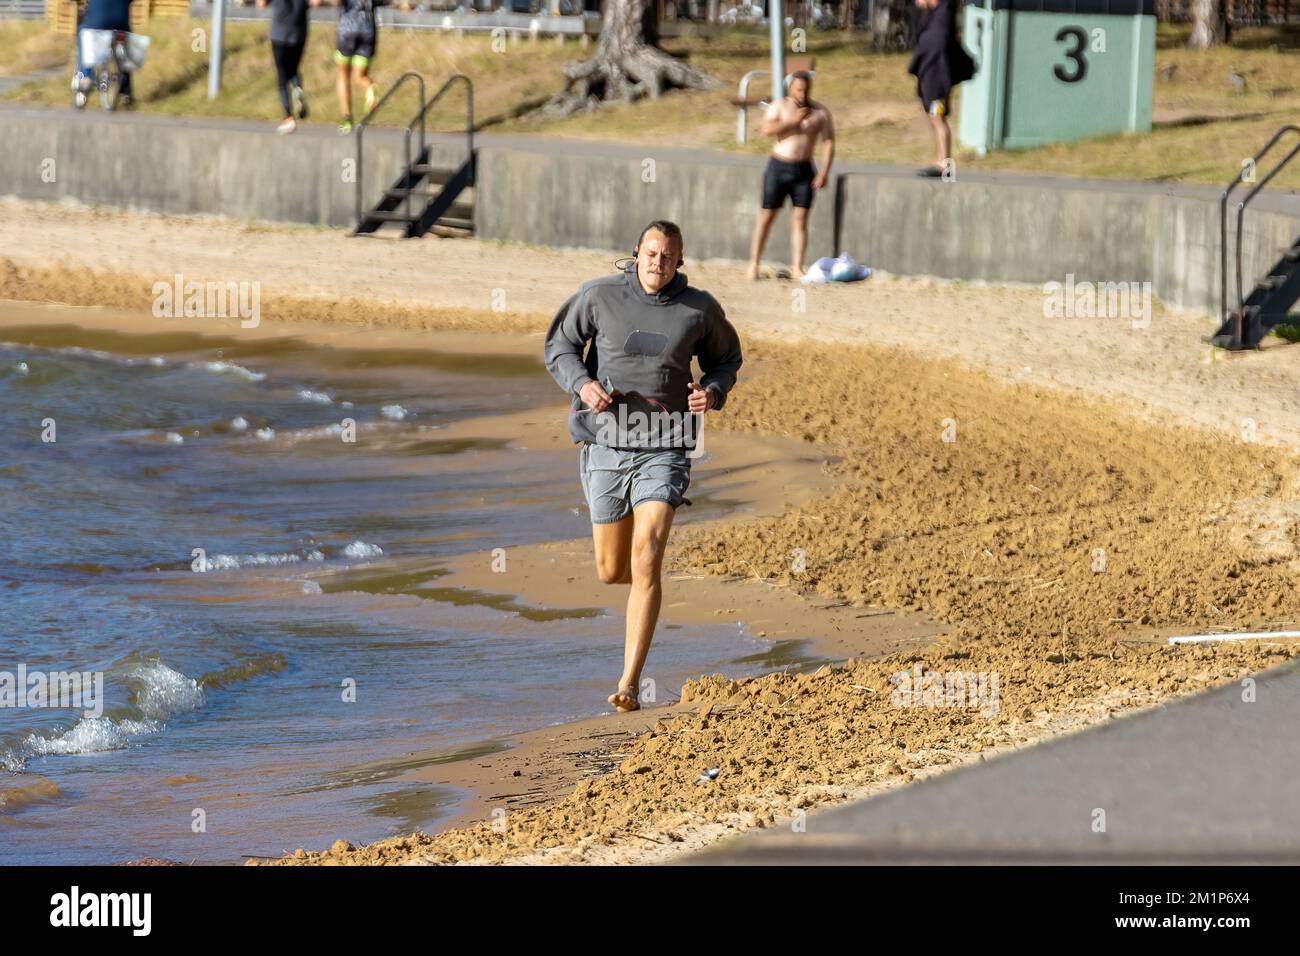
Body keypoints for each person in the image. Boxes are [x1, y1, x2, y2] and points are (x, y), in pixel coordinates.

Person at [544, 221, 743, 712]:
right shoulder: (597, 296)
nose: (658, 263)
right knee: (613, 571)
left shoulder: (699, 309)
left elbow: (727, 358)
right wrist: (582, 385)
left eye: (668, 257)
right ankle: (642, 592)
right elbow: (560, 348)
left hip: (667, 444)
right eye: (651, 254)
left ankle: (629, 682)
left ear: (680, 261)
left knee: (648, 554)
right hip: (606, 443)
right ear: (636, 254)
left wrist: (712, 392)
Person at [746, 71, 835, 281]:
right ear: (791, 89)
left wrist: (824, 172)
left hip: (804, 170)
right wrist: (792, 122)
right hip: (778, 167)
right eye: (798, 90)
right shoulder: (780, 106)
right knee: (767, 216)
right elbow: (767, 130)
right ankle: (754, 263)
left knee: (800, 219)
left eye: (806, 90)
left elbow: (828, 141)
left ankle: (797, 266)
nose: (802, 94)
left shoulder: (819, 112)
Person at [907, 0, 975, 177]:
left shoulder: (943, 18)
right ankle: (940, 160)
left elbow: (935, 46)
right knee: (935, 117)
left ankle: (944, 163)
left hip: (937, 78)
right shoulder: (936, 18)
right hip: (934, 74)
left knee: (938, 118)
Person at [257, 0, 311, 135]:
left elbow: (262, 4)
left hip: (279, 32)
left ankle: (288, 117)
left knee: (282, 76)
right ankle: (297, 89)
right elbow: (316, 3)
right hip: (299, 31)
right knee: (293, 69)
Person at [72, 0, 134, 108]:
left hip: (97, 23)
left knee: (83, 34)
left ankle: (85, 76)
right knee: (125, 45)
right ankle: (126, 90)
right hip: (121, 24)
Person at [334, 0, 384, 133]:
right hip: (368, 31)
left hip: (348, 30)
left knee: (343, 75)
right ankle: (369, 86)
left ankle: (347, 118)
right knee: (359, 76)